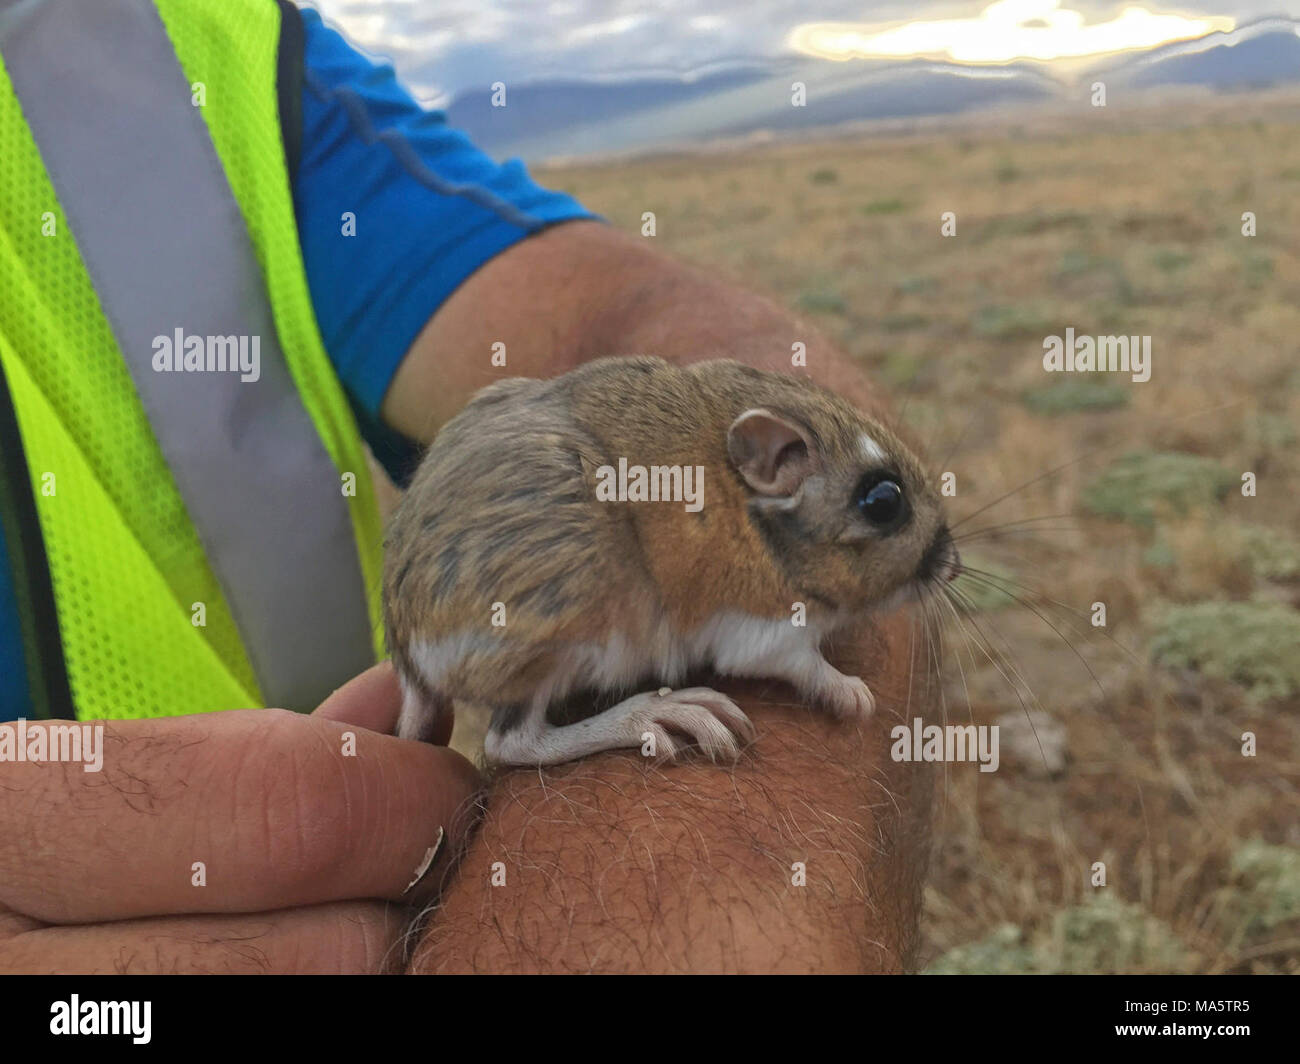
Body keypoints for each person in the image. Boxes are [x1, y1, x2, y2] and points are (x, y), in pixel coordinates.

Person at [0, 0, 932, 972]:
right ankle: (530, 734)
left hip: (371, 781)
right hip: (449, 692)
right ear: (770, 467)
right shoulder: (724, 548)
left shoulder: (201, 42)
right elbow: (751, 635)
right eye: (878, 510)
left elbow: (619, 306)